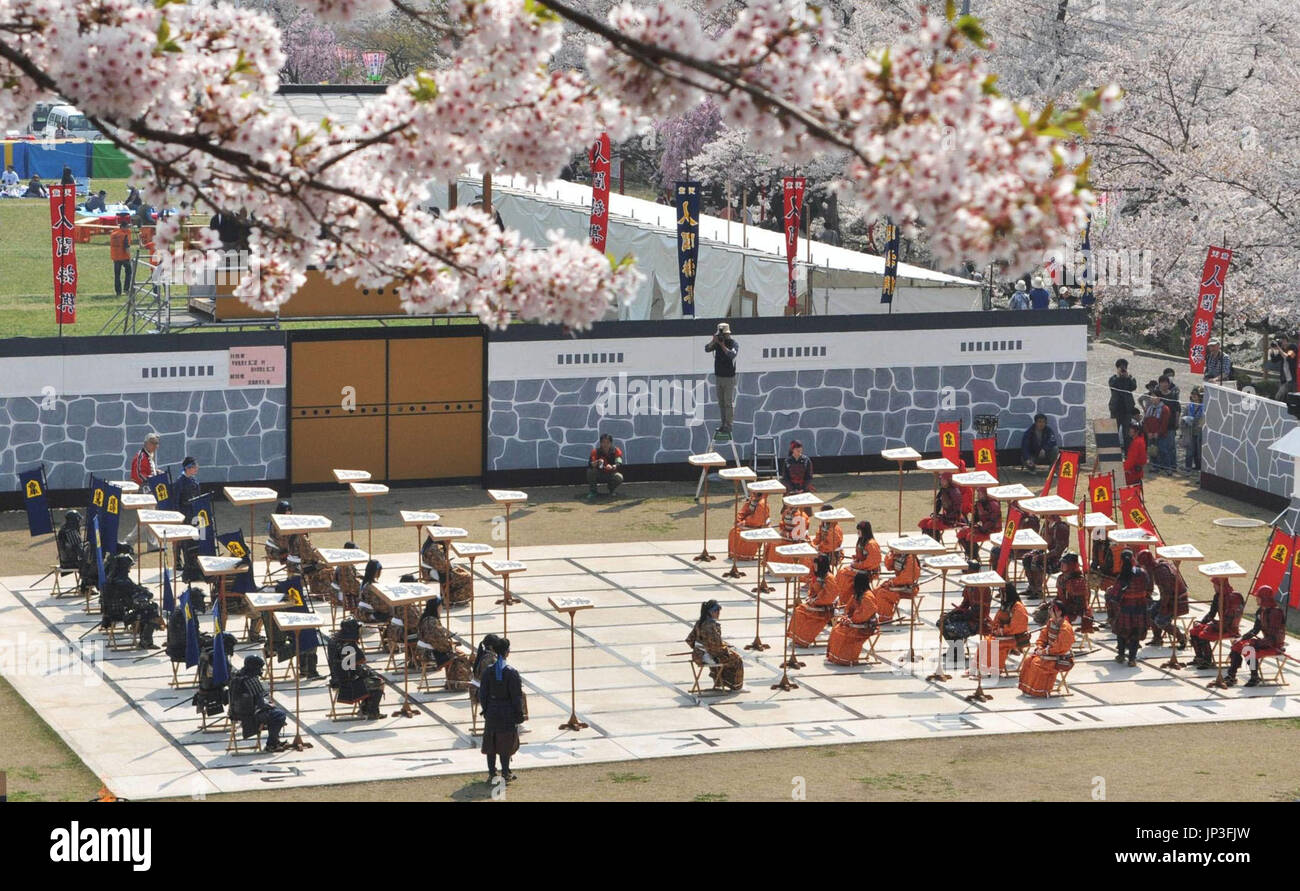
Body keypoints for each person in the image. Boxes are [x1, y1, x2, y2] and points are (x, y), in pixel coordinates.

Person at [479, 637, 525, 782]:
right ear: (507, 652)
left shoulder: (488, 672)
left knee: (491, 742)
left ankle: (492, 773)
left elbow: (482, 694)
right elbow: (516, 697)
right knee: (505, 743)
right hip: (507, 712)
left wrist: (486, 709)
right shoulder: (511, 673)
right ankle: (505, 772)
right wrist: (519, 714)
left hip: (492, 710)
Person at [1225, 586, 1286, 687]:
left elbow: (1274, 637)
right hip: (1266, 641)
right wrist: (1242, 638)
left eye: (1258, 597)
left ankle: (1254, 677)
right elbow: (1255, 630)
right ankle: (1231, 675)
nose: (1256, 599)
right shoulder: (1260, 611)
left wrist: (1255, 643)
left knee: (1248, 649)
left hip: (1275, 645)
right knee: (1237, 646)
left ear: (1265, 598)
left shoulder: (1276, 613)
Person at [326, 618, 385, 718]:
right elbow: (353, 670)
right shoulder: (348, 645)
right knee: (378, 682)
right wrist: (368, 673)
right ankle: (371, 712)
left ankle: (365, 708)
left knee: (370, 677)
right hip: (346, 681)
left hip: (336, 677)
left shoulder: (334, 640)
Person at [230, 655, 290, 751]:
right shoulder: (252, 680)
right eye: (260, 667)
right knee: (279, 715)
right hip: (250, 715)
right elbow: (261, 704)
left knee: (273, 713)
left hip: (235, 713)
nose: (261, 670)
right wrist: (271, 706)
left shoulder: (236, 677)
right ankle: (272, 744)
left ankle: (275, 740)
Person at [1018, 600, 1075, 697]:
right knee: (1028, 660)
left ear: (1059, 612)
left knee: (1037, 664)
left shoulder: (1066, 628)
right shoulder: (1051, 622)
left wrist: (1045, 651)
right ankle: (1028, 689)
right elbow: (1043, 636)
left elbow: (1060, 647)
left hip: (1061, 657)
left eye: (1051, 610)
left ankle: (1039, 691)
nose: (1049, 612)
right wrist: (1039, 647)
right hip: (1048, 653)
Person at [416, 596, 474, 689]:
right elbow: (439, 642)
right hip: (429, 653)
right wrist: (451, 646)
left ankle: (454, 682)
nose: (441, 609)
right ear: (436, 607)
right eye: (440, 606)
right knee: (460, 656)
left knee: (456, 652)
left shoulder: (425, 618)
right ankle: (458, 683)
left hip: (423, 650)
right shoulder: (431, 622)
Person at [685, 600, 744, 691]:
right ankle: (735, 686)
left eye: (719, 610)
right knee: (737, 659)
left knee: (727, 654)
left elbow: (690, 640)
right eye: (716, 611)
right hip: (707, 656)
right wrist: (726, 650)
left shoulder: (700, 622)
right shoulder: (710, 625)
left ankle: (720, 682)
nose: (718, 613)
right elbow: (716, 646)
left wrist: (698, 648)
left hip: (697, 655)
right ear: (710, 612)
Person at [1106, 550, 1151, 667]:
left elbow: (1114, 597)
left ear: (1121, 561)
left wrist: (1110, 592)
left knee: (1121, 632)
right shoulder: (1142, 573)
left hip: (1125, 609)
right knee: (1135, 634)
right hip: (1140, 608)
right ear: (1133, 559)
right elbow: (1149, 587)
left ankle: (1121, 655)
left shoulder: (1122, 577)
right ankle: (1132, 659)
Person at [1189, 576, 1246, 670]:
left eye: (1215, 585)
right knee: (1194, 631)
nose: (1213, 587)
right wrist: (1201, 622)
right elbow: (1212, 613)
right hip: (1221, 625)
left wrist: (1212, 625)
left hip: (1229, 629)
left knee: (1203, 634)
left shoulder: (1233, 597)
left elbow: (1230, 620)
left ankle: (1207, 660)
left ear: (1221, 585)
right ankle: (1199, 657)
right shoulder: (1217, 596)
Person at [826, 571, 880, 665]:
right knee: (836, 629)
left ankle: (845, 658)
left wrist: (852, 619)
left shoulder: (868, 596)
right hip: (855, 622)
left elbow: (865, 614)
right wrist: (847, 616)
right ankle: (835, 656)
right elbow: (849, 608)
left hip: (866, 626)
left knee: (843, 633)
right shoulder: (857, 594)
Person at [1139, 550, 1189, 649]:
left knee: (1160, 620)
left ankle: (1182, 638)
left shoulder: (1161, 572)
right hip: (1169, 599)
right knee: (1150, 613)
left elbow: (1167, 592)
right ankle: (1157, 638)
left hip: (1177, 601)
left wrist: (1163, 607)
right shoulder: (1158, 565)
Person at [788, 554, 837, 647]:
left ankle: (803, 640)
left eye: (816, 565)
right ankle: (797, 637)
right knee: (798, 610)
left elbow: (829, 596)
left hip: (825, 607)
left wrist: (816, 600)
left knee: (805, 616)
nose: (814, 567)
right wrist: (810, 597)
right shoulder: (817, 576)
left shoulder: (830, 578)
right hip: (815, 603)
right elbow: (812, 589)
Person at [1022, 514, 1069, 600]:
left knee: (1037, 561)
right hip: (1047, 555)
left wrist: (1042, 556)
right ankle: (1032, 587)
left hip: (1057, 561)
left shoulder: (1061, 528)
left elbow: (1058, 550)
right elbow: (1042, 542)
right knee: (1027, 558)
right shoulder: (1046, 524)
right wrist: (1035, 553)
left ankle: (1038, 590)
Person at [835, 520, 881, 607]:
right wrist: (856, 558)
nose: (858, 532)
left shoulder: (872, 544)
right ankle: (842, 599)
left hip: (869, 571)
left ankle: (847, 602)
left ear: (865, 531)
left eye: (859, 530)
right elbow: (861, 556)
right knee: (841, 573)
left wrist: (857, 565)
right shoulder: (861, 541)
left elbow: (873, 561)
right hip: (860, 568)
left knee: (847, 580)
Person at [704, 322, 739, 436]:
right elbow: (707, 349)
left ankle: (729, 425)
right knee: (721, 403)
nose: (722, 336)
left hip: (729, 378)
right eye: (720, 335)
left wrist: (723, 345)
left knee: (728, 402)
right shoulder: (717, 344)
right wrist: (713, 341)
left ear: (728, 334)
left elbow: (731, 355)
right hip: (719, 376)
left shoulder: (733, 343)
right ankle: (723, 424)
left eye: (723, 334)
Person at [873, 546, 920, 623]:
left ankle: (885, 617)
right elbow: (888, 566)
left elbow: (907, 577)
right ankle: (874, 613)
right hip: (898, 585)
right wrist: (891, 553)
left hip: (908, 588)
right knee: (875, 591)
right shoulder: (898, 555)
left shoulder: (911, 559)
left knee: (883, 594)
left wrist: (893, 582)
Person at [989, 583, 1031, 670]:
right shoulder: (1004, 606)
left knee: (995, 645)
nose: (1002, 596)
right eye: (1001, 593)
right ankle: (982, 667)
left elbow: (1017, 627)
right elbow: (997, 620)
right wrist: (996, 628)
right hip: (1004, 635)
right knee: (986, 641)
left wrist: (1002, 630)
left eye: (1003, 593)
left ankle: (996, 669)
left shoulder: (1018, 607)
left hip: (1016, 637)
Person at [957, 487, 1000, 563]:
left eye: (980, 493)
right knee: (961, 533)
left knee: (971, 536)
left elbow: (993, 521)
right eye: (978, 493)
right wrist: (972, 522)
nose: (978, 495)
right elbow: (976, 518)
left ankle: (973, 558)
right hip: (982, 529)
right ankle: (973, 555)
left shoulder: (994, 505)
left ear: (986, 494)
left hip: (992, 530)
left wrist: (983, 528)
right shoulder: (979, 504)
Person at [918, 472, 964, 543]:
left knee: (932, 524)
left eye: (943, 480)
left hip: (954, 520)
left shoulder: (955, 493)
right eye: (941, 480)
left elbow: (957, 509)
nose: (941, 481)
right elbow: (938, 504)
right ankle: (929, 543)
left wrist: (948, 518)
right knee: (924, 522)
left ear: (949, 481)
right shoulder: (943, 490)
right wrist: (936, 514)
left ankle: (936, 543)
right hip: (946, 518)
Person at [727, 490, 769, 562]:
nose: (751, 493)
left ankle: (746, 555)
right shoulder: (752, 500)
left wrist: (745, 522)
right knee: (733, 531)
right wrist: (738, 520)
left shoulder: (762, 504)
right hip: (748, 525)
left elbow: (757, 520)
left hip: (757, 526)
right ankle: (735, 554)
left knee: (739, 533)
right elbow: (743, 511)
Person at [586, 433, 624, 499]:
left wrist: (613, 466)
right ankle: (593, 491)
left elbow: (619, 462)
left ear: (611, 443)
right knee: (590, 471)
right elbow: (590, 464)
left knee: (619, 477)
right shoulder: (595, 452)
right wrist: (597, 462)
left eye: (608, 442)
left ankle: (611, 489)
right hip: (599, 474)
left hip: (611, 474)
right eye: (603, 442)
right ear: (600, 443)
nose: (605, 444)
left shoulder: (616, 451)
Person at [1153, 376, 1179, 472]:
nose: (1164, 384)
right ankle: (1161, 465)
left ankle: (1173, 465)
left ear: (1168, 384)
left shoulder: (1173, 396)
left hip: (1170, 425)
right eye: (1162, 382)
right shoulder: (1157, 394)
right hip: (1159, 425)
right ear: (1159, 384)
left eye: (1166, 382)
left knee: (1171, 446)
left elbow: (1177, 410)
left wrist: (1177, 422)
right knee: (1160, 446)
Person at [1108, 359, 1138, 433]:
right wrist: (1118, 377)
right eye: (1121, 368)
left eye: (1124, 368)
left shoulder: (1130, 378)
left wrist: (1127, 378)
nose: (1123, 370)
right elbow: (1112, 385)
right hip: (1116, 409)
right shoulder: (1113, 378)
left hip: (1127, 409)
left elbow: (1133, 387)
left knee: (1127, 432)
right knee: (1114, 431)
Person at [1181, 387, 1205, 472]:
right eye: (1193, 394)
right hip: (1190, 431)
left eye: (1196, 394)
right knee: (1189, 451)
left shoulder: (1204, 407)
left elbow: (1205, 419)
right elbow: (1183, 417)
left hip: (1200, 432)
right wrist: (1185, 420)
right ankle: (1188, 467)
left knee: (1199, 451)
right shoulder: (1189, 406)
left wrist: (1200, 423)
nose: (1194, 396)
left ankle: (1198, 467)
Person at [110, 215, 133, 296]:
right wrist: (130, 256)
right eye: (126, 227)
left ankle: (118, 292)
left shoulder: (113, 234)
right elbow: (126, 247)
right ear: (123, 227)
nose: (127, 229)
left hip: (116, 257)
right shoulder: (124, 235)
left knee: (117, 275)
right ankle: (126, 289)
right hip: (124, 257)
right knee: (129, 272)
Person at [1123, 417, 1147, 487]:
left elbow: (1131, 460)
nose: (1129, 430)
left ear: (1137, 431)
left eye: (1132, 429)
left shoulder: (1136, 443)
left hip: (1133, 473)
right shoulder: (1140, 440)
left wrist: (1122, 469)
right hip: (1137, 471)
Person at [176, 456, 201, 520]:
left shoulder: (194, 481)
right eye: (194, 467)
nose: (196, 469)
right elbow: (176, 501)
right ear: (187, 468)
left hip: (194, 513)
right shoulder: (180, 482)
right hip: (184, 514)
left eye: (197, 466)